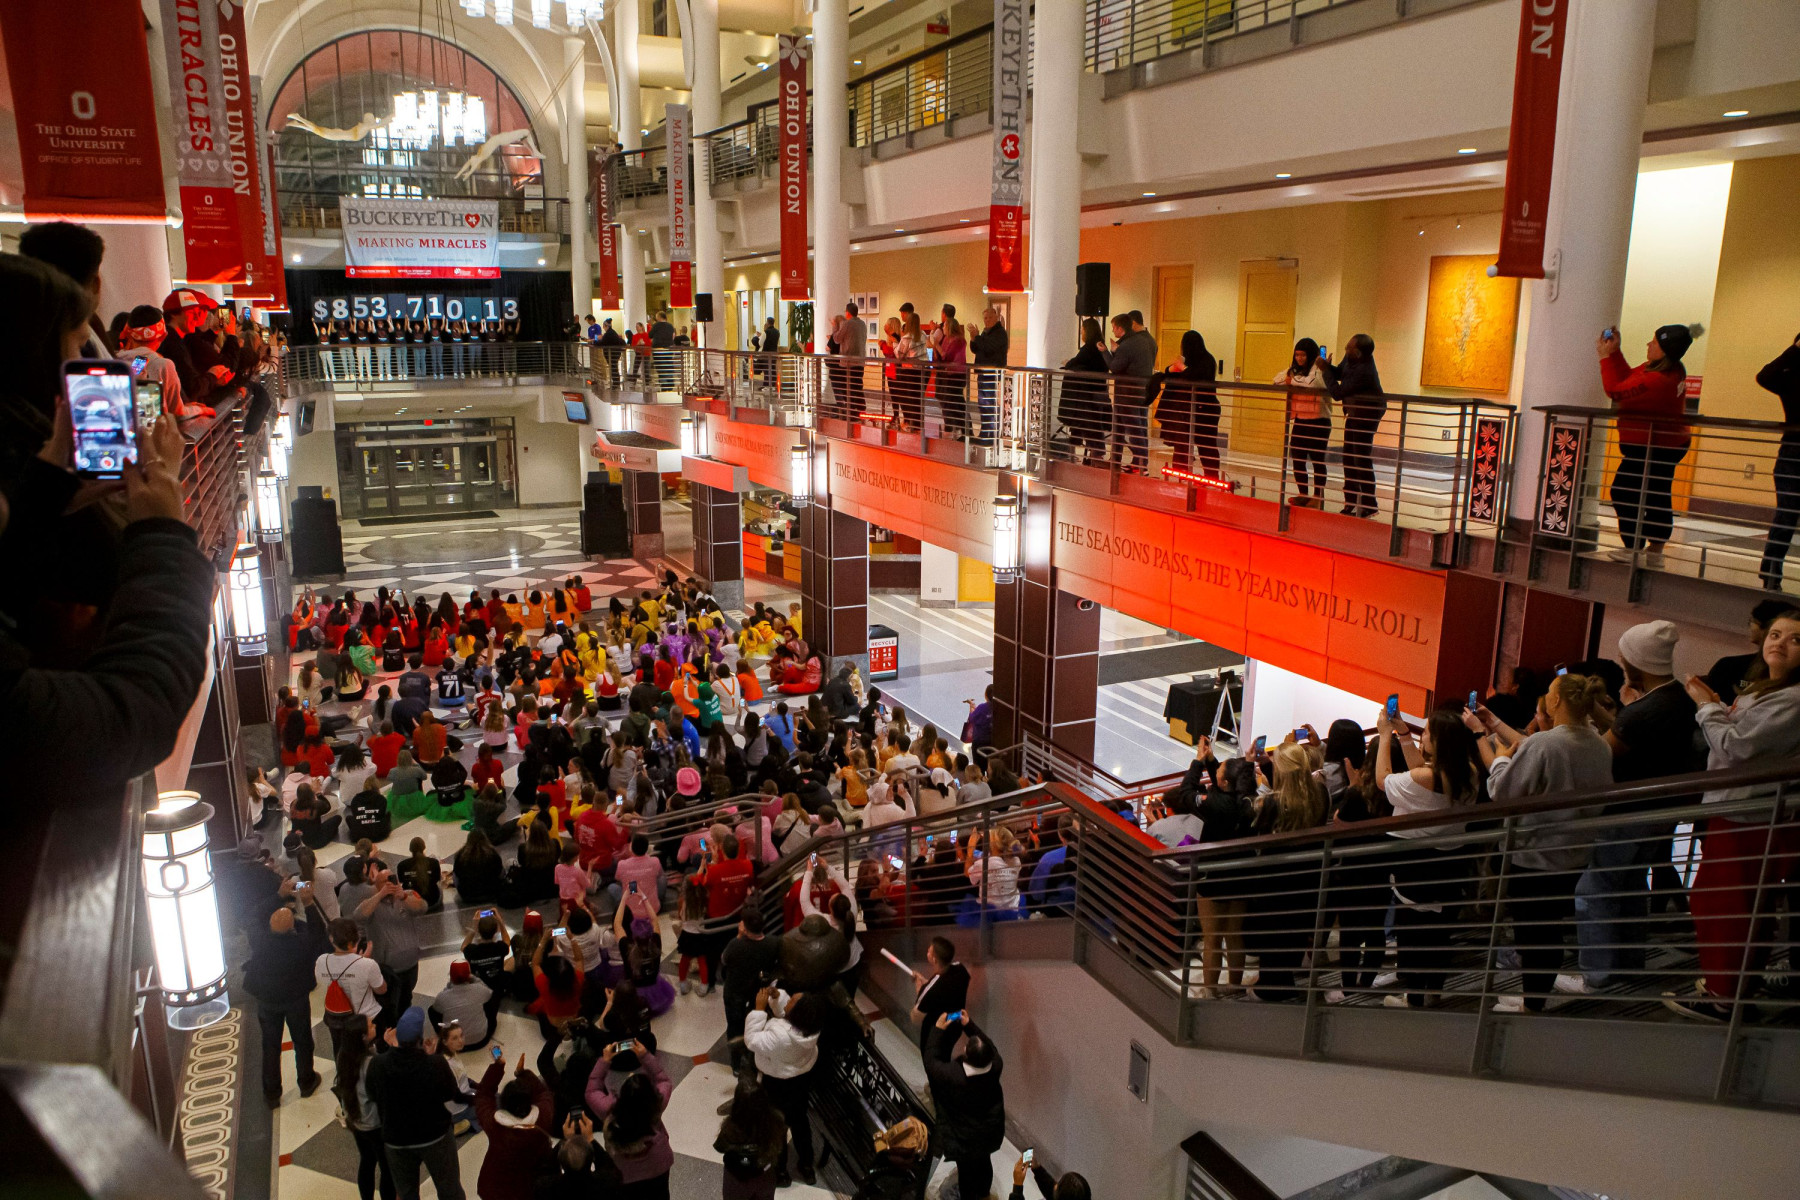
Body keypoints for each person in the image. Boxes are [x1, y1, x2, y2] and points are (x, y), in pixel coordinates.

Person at [1665, 607, 1800, 1021]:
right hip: (1743, 809)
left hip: (1750, 815)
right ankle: (1732, 984)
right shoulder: (1771, 688)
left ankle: (1725, 996)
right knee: (1727, 902)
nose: (1779, 642)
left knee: (1724, 906)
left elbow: (1737, 746)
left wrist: (1706, 707)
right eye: (1776, 634)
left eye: (1795, 639)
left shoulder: (1792, 699)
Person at [1473, 673, 1614, 1011]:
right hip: (1573, 852)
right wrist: (1495, 724)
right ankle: (1535, 997)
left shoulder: (1546, 744)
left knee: (1532, 932)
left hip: (1534, 855)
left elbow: (1503, 791)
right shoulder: (1598, 743)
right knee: (1549, 928)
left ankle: (1532, 1002)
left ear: (1554, 702)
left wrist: (1501, 758)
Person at [1374, 706, 1483, 1008]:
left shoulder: (1427, 778)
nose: (1425, 737)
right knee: (1438, 932)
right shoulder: (1469, 772)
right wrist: (1405, 734)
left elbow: (1383, 780)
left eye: (1428, 733)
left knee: (1413, 933)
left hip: (1418, 866)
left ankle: (1414, 998)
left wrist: (1385, 736)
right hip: (1450, 864)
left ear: (1441, 743)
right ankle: (1431, 991)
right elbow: (1423, 772)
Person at [1599, 324, 1697, 565]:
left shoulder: (1659, 380)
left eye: (1654, 342)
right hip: (1665, 443)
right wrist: (1615, 353)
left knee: (1623, 492)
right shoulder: (1665, 369)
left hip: (1653, 446)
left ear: (1664, 350)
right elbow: (1627, 378)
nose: (1648, 344)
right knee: (1656, 493)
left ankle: (1634, 548)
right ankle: (1654, 550)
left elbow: (1615, 391)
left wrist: (1604, 357)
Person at [365, 1006, 466, 1200]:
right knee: (449, 1189)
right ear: (420, 1039)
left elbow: (372, 1094)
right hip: (435, 1137)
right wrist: (430, 1056)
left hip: (397, 1140)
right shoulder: (435, 1063)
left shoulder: (378, 1064)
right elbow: (450, 1093)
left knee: (407, 1193)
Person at [245, 885, 329, 1106]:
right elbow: (319, 932)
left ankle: (272, 1093)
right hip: (295, 1000)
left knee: (270, 1046)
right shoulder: (301, 944)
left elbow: (254, 914)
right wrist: (309, 902)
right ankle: (306, 1081)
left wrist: (278, 894)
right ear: (293, 927)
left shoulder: (259, 940)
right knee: (302, 1041)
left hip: (267, 999)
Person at [744, 987, 826, 1188]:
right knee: (800, 1123)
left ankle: (780, 1171)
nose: (788, 999)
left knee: (777, 1127)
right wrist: (778, 996)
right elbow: (788, 1014)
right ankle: (806, 1165)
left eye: (792, 1000)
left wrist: (759, 1010)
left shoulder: (780, 1037)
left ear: (795, 1012)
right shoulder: (811, 1027)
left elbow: (752, 1040)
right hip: (799, 1082)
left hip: (776, 1084)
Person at [923, 1012, 1005, 1200]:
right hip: (988, 1134)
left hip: (964, 1139)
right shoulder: (996, 1066)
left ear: (967, 1054)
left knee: (966, 1173)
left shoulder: (952, 1076)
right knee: (984, 1163)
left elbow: (930, 1061)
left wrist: (938, 1029)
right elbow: (990, 1046)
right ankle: (983, 1193)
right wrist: (969, 1025)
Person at [584, 1041, 674, 1195]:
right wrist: (645, 1057)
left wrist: (604, 1061)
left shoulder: (609, 1111)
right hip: (658, 1165)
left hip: (623, 1173)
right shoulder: (655, 1107)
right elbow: (663, 1080)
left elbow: (592, 1091)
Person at [474, 1053, 558, 1200]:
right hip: (534, 1186)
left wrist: (498, 1066)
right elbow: (543, 1093)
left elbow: (483, 1095)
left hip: (498, 1189)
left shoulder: (494, 1125)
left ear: (503, 1105)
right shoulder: (543, 1117)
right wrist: (523, 1074)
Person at [1321, 334, 1384, 517]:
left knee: (1360, 458)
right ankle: (1351, 501)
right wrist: (1328, 367)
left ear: (1357, 353)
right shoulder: (1351, 359)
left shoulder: (1365, 371)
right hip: (1355, 412)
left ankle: (1369, 504)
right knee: (1349, 457)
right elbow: (1340, 373)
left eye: (1349, 348)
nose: (1346, 350)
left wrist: (1325, 370)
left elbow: (1338, 392)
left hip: (1368, 414)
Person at [334, 1016, 397, 1200]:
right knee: (387, 1167)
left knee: (367, 1160)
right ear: (362, 1036)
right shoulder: (370, 1064)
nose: (375, 1025)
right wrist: (392, 1047)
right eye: (370, 1025)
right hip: (375, 1124)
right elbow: (385, 1085)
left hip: (356, 1119)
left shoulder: (344, 1055)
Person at [355, 860, 429, 1015]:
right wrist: (381, 894)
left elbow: (422, 907)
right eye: (384, 882)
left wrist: (402, 896)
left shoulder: (406, 896)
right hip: (388, 969)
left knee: (406, 998)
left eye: (391, 879)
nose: (389, 884)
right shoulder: (372, 904)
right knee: (389, 1005)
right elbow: (359, 916)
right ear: (376, 885)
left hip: (410, 965)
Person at [1758, 335, 1800, 589]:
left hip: (1792, 454)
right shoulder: (1791, 377)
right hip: (1793, 455)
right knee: (1787, 514)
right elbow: (1765, 376)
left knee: (1787, 514)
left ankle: (1771, 570)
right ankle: (1771, 570)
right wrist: (1794, 350)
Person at [719, 907, 782, 1070]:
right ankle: (755, 1057)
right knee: (757, 1022)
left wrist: (739, 936)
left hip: (735, 992)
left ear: (745, 928)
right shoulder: (774, 943)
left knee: (735, 1026)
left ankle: (736, 1064)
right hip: (758, 992)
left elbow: (724, 959)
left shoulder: (736, 945)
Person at [1152, 330, 1219, 476]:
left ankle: (1210, 476)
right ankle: (1186, 474)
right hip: (1193, 410)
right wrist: (1171, 369)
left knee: (1205, 446)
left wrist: (1182, 368)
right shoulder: (1195, 360)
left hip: (1204, 410)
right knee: (1187, 444)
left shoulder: (1206, 361)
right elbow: (1171, 372)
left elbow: (1195, 377)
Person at [1277, 337, 1332, 508]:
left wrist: (1293, 381)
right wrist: (1293, 378)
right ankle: (1303, 493)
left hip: (1319, 421)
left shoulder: (1319, 369)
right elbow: (1277, 379)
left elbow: (1313, 383)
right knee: (1298, 458)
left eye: (1303, 355)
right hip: (1301, 419)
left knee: (1317, 459)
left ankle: (1318, 496)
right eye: (1297, 355)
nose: (1300, 359)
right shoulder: (1294, 370)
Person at [715, 1073, 788, 1200]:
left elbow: (719, 1147)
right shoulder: (776, 1121)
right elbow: (780, 1147)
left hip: (737, 1177)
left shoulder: (730, 1127)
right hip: (764, 1173)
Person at [1106, 312, 1158, 471]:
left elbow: (1115, 367)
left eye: (1114, 327)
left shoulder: (1129, 344)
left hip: (1128, 393)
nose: (1113, 331)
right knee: (1137, 427)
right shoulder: (1148, 341)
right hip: (1141, 391)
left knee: (1133, 428)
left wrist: (1110, 352)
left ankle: (1139, 463)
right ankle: (1137, 462)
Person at [908, 936, 970, 1049]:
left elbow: (915, 1017)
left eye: (929, 951)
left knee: (934, 1064)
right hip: (956, 1023)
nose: (927, 952)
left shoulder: (932, 988)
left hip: (937, 1034)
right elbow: (941, 989)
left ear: (934, 959)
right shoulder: (961, 969)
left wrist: (919, 986)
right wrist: (925, 984)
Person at [969, 306, 1010, 444]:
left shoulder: (999, 333)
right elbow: (977, 348)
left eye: (989, 317)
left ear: (996, 317)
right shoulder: (986, 333)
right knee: (982, 404)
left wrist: (978, 337)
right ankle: (984, 432)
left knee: (988, 404)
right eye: (985, 318)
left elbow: (988, 347)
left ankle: (990, 435)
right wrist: (973, 338)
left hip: (991, 374)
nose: (986, 320)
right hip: (983, 373)